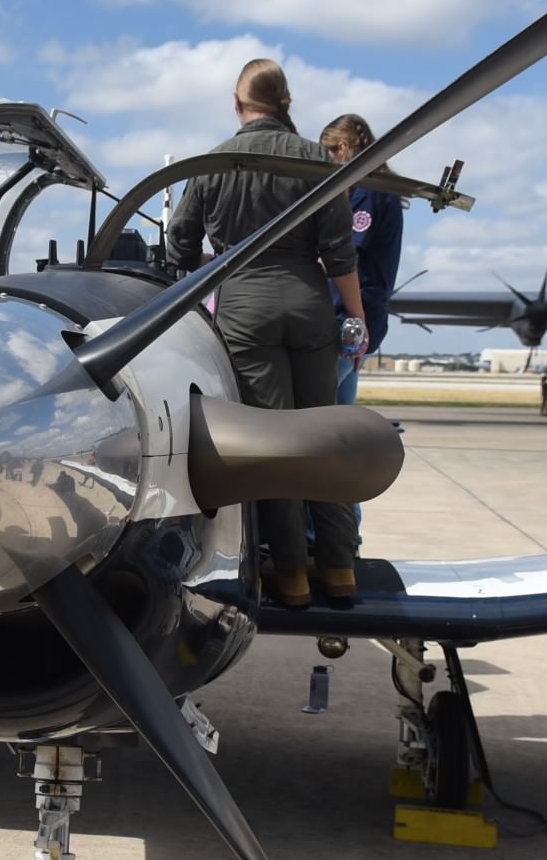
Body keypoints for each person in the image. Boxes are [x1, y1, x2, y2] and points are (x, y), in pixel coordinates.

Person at [165, 58, 364, 608]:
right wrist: (357, 315)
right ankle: (340, 568)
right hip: (308, 304)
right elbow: (339, 251)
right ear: (286, 103)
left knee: (274, 445)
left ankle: (293, 577)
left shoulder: (216, 161)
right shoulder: (316, 160)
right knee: (322, 435)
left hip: (245, 308)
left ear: (238, 105)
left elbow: (179, 242)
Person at [318, 114, 402, 409]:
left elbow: (342, 256)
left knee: (319, 407)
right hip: (359, 321)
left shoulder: (368, 193)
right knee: (342, 410)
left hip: (351, 322)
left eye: (328, 152)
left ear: (342, 147)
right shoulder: (378, 191)